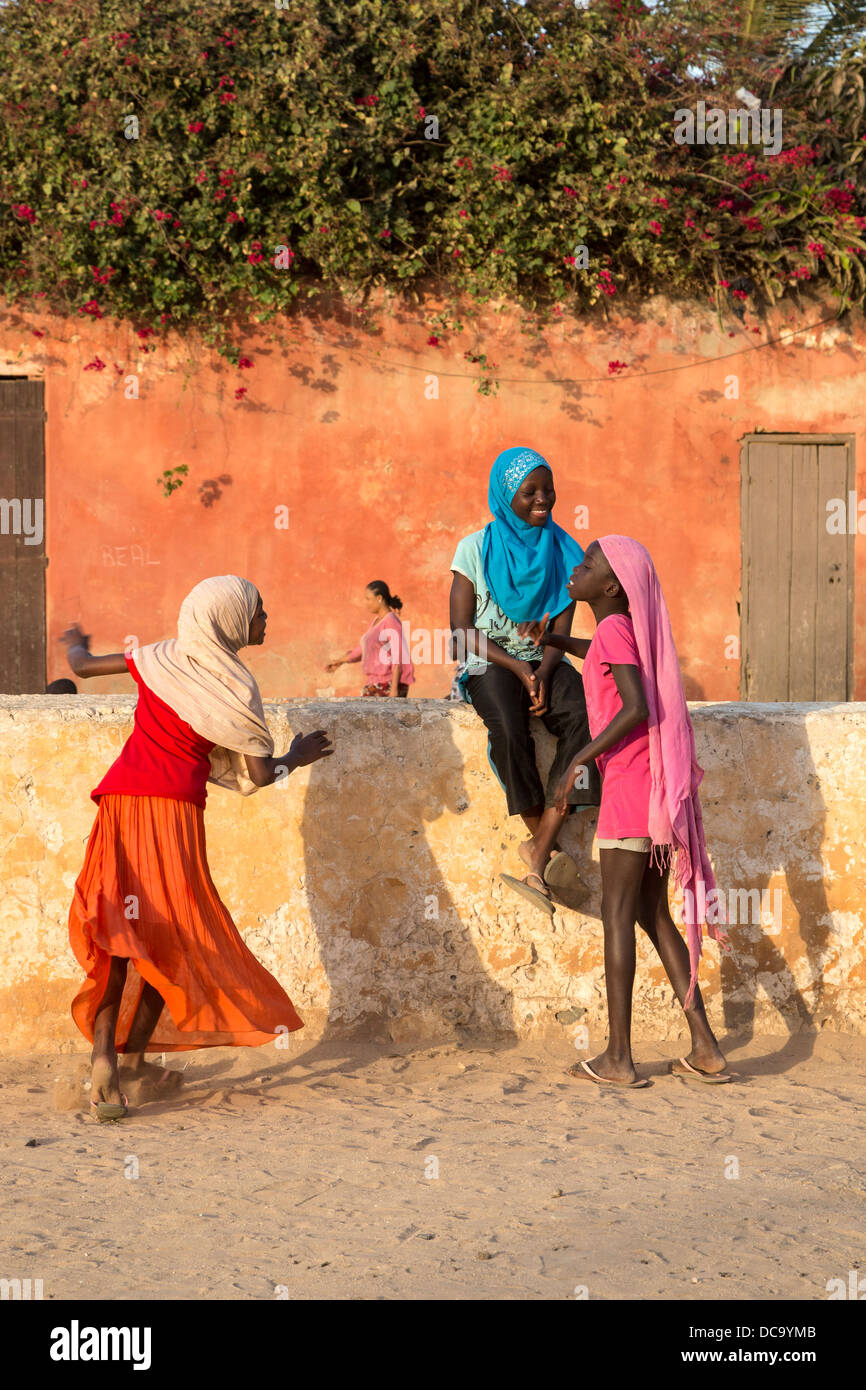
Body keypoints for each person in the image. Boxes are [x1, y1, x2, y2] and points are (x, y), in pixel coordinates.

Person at [61, 575, 333, 1121]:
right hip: (173, 815)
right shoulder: (235, 687)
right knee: (172, 937)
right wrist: (298, 756)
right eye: (257, 610)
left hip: (120, 803)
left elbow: (82, 667)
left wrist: (72, 639)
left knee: (121, 930)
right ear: (228, 620)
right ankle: (128, 1058)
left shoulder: (156, 658)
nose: (265, 617)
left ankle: (110, 1061)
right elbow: (261, 771)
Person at [521, 537, 731, 1087]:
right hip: (653, 792)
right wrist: (558, 638)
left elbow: (634, 707)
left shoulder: (616, 631)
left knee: (617, 915)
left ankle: (618, 1057)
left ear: (611, 586)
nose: (576, 567)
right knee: (651, 915)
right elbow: (602, 652)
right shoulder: (625, 629)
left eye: (588, 564)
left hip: (629, 790)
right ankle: (706, 1047)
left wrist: (579, 761)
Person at [449, 446, 600, 913]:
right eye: (529, 491)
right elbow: (460, 631)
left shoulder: (564, 550)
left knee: (585, 717)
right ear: (503, 495)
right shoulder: (474, 549)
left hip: (546, 661)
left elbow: (561, 630)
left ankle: (538, 852)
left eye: (548, 490)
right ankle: (542, 841)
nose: (542, 500)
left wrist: (544, 672)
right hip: (490, 661)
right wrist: (519, 669)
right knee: (510, 728)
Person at [325, 580, 415, 697]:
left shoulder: (391, 622)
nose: (366, 603)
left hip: (387, 683)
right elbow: (363, 649)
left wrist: (393, 691)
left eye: (368, 599)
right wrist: (340, 661)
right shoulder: (376, 622)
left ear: (379, 598)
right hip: (375, 683)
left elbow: (398, 656)